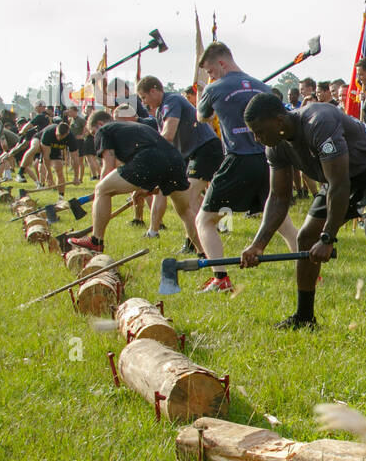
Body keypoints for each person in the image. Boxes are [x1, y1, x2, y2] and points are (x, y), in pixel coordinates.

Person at [240, 94, 366, 341]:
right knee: (306, 236)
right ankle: (304, 316)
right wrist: (258, 244)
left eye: (260, 131)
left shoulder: (318, 121)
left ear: (278, 120)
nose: (258, 138)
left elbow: (340, 185)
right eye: (253, 133)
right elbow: (278, 197)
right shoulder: (275, 147)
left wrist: (328, 237)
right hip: (338, 178)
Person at [195, 42, 298, 292]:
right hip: (269, 158)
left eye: (210, 71)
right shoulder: (261, 86)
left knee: (204, 221)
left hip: (238, 158)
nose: (210, 77)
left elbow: (202, 117)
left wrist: (207, 90)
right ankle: (308, 270)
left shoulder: (214, 88)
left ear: (221, 63)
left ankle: (221, 278)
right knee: (279, 217)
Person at [69, 110, 205, 255]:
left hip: (149, 159)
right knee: (184, 210)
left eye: (93, 133)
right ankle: (203, 252)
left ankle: (95, 242)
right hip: (176, 160)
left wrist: (100, 191)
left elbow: (108, 167)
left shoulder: (104, 130)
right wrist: (146, 187)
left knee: (102, 189)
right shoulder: (133, 127)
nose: (95, 137)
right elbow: (157, 161)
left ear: (100, 124)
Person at [137, 75, 221, 251]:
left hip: (205, 149)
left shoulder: (172, 100)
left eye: (144, 97)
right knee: (189, 199)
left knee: (187, 199)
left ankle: (197, 240)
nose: (144, 103)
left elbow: (168, 135)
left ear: (153, 91)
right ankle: (203, 233)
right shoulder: (161, 110)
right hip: (191, 154)